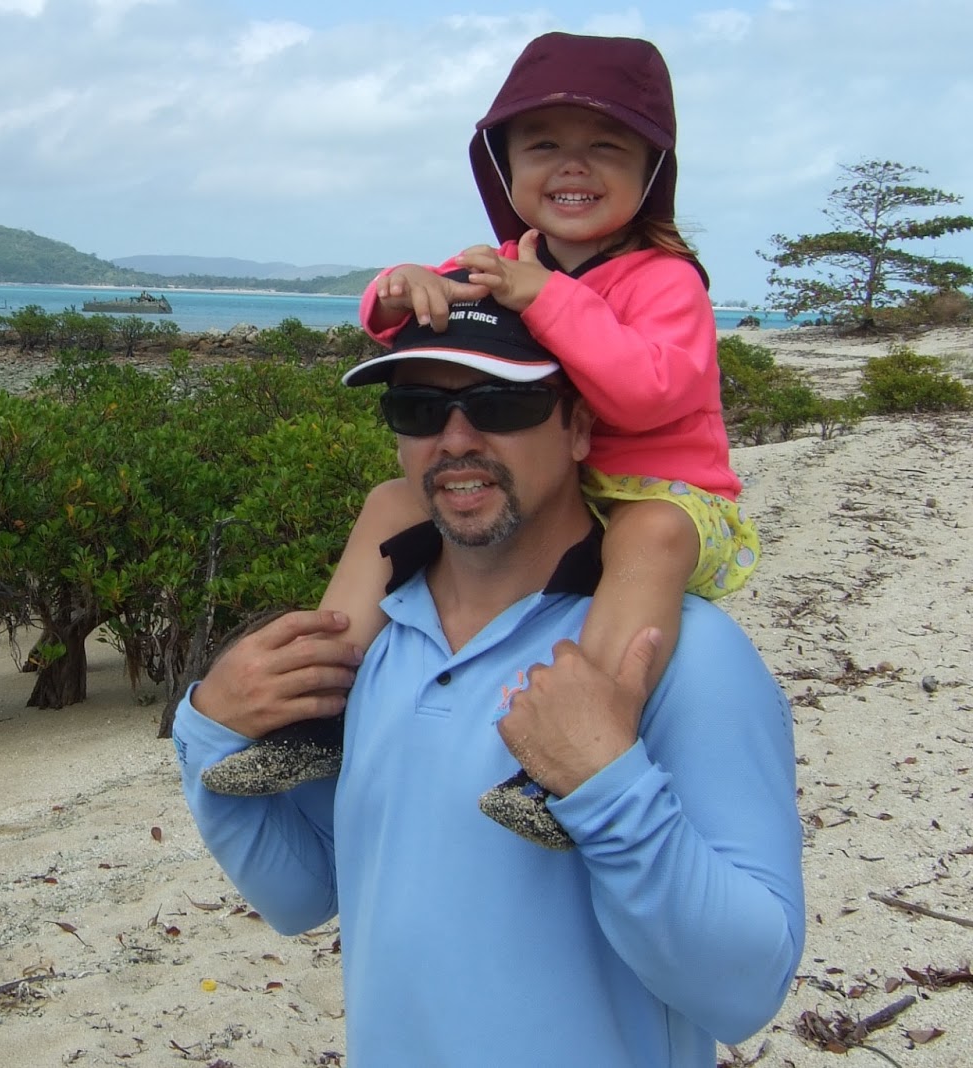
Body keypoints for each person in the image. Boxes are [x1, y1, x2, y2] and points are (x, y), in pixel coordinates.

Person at [173, 299, 804, 1066]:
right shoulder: (375, 642)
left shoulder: (682, 655)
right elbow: (301, 895)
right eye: (418, 408)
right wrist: (209, 731)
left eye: (503, 402)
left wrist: (608, 787)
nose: (456, 440)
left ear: (578, 427)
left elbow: (746, 991)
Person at [201, 32, 758, 850]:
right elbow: (400, 316)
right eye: (543, 147)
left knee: (654, 532)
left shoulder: (663, 279)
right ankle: (320, 711)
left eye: (606, 146)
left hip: (665, 496)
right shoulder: (500, 261)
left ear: (651, 169)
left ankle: (578, 741)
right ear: (506, 166)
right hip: (554, 488)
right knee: (392, 499)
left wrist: (549, 302)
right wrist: (400, 291)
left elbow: (645, 396)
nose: (573, 166)